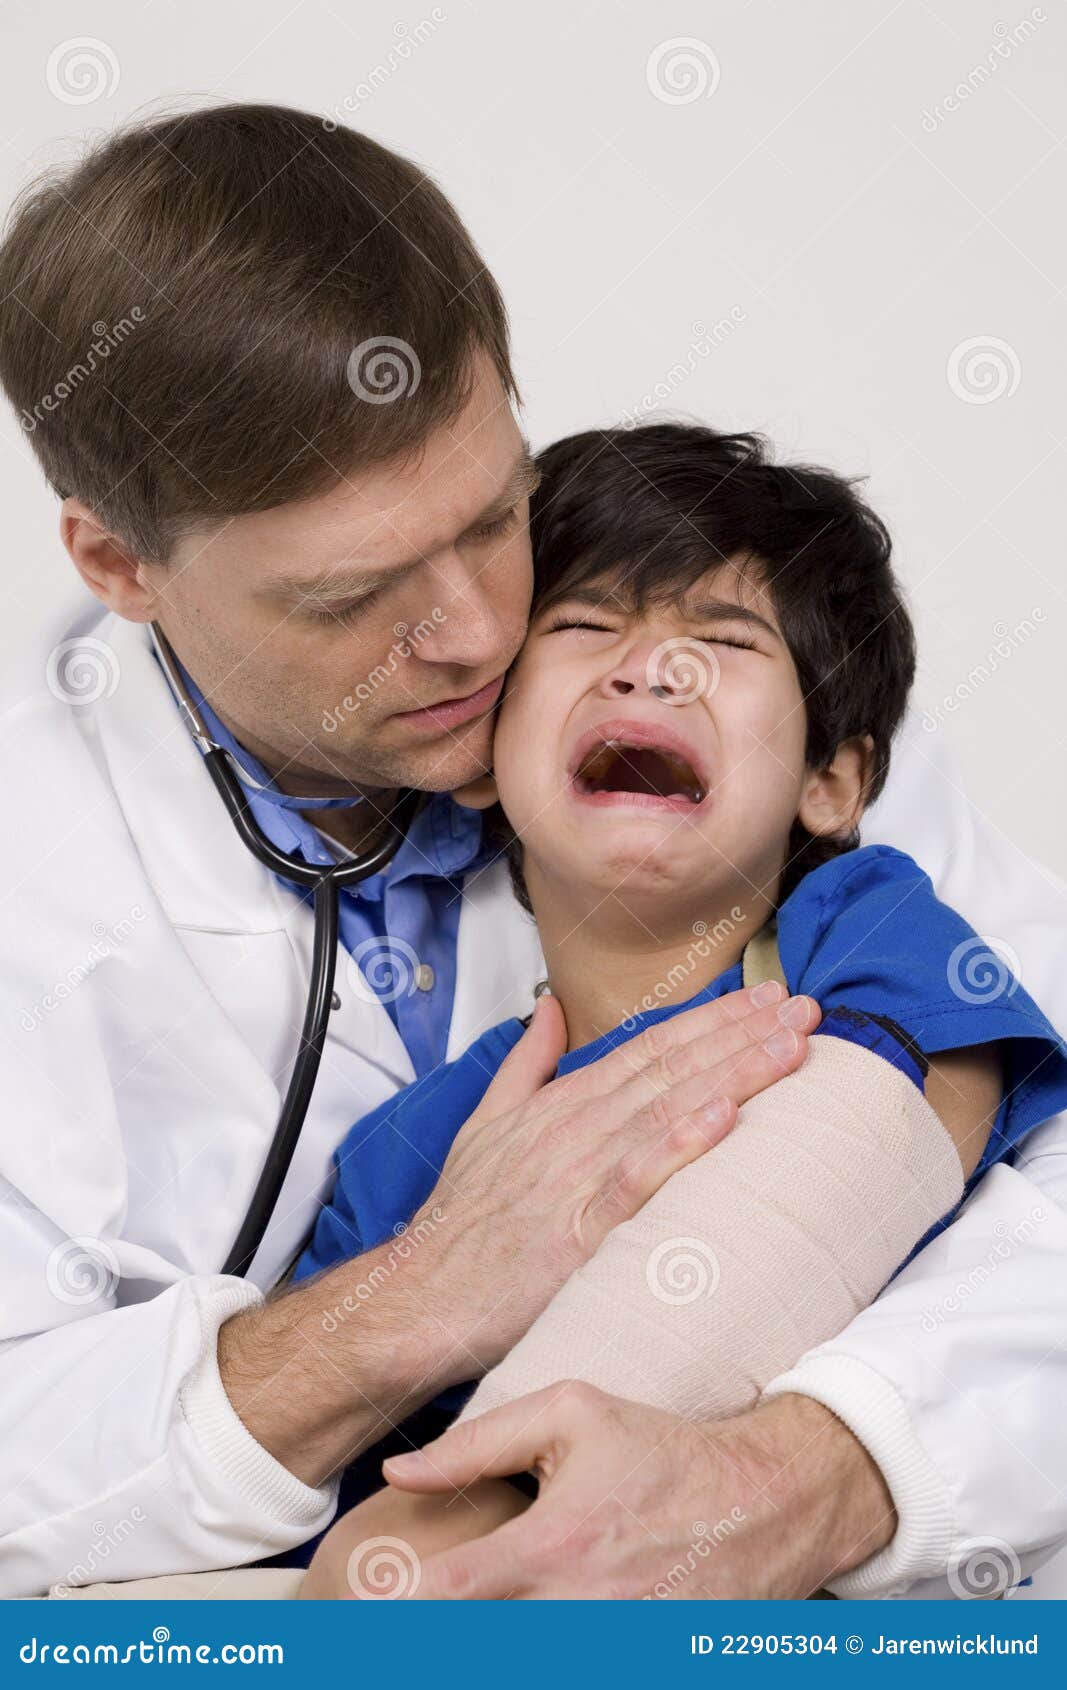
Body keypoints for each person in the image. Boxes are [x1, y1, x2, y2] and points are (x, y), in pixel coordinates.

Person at [0, 103, 1063, 1603]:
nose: (483, 632)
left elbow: (1021, 1121)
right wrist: (413, 1302)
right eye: (350, 597)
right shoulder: (31, 881)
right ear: (119, 563)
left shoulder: (727, 689)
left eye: (495, 514)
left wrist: (817, 1468)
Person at [292, 423, 1067, 1597]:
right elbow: (330, 1467)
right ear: (485, 752)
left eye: (722, 639)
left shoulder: (857, 928)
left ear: (832, 782)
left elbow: (886, 1130)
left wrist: (485, 1513)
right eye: (585, 626)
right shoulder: (410, 1147)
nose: (651, 667)